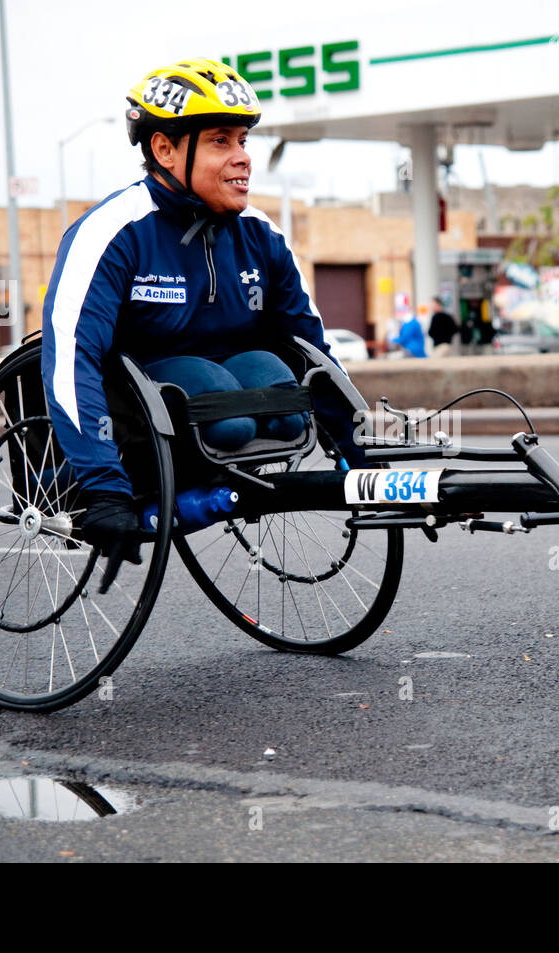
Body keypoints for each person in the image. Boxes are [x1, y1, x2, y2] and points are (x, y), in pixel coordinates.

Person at [42, 58, 353, 592]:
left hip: (220, 408)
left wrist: (362, 458)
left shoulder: (262, 235)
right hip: (132, 425)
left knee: (273, 382)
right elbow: (71, 361)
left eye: (243, 141)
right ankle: (74, 477)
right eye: (219, 142)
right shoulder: (111, 233)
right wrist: (105, 488)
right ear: (164, 149)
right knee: (221, 403)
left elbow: (315, 353)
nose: (242, 159)